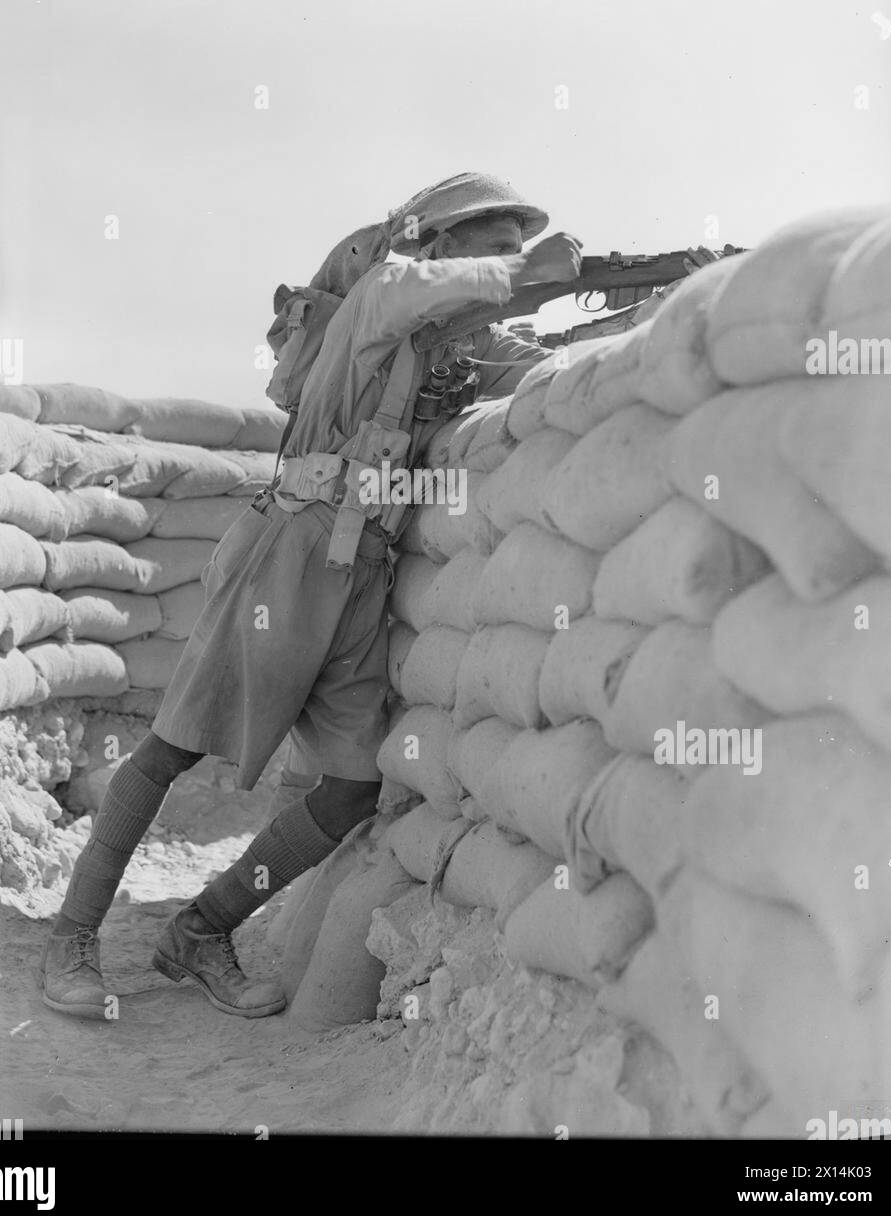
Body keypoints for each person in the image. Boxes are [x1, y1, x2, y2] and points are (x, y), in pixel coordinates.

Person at [39, 171, 586, 1021]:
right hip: (286, 550)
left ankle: (203, 927)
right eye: (497, 247)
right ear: (442, 244)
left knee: (349, 788)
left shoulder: (458, 342)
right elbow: (405, 289)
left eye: (517, 251)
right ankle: (71, 936)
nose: (511, 263)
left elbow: (555, 368)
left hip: (362, 570)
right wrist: (534, 270)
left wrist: (642, 304)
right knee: (174, 748)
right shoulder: (385, 296)